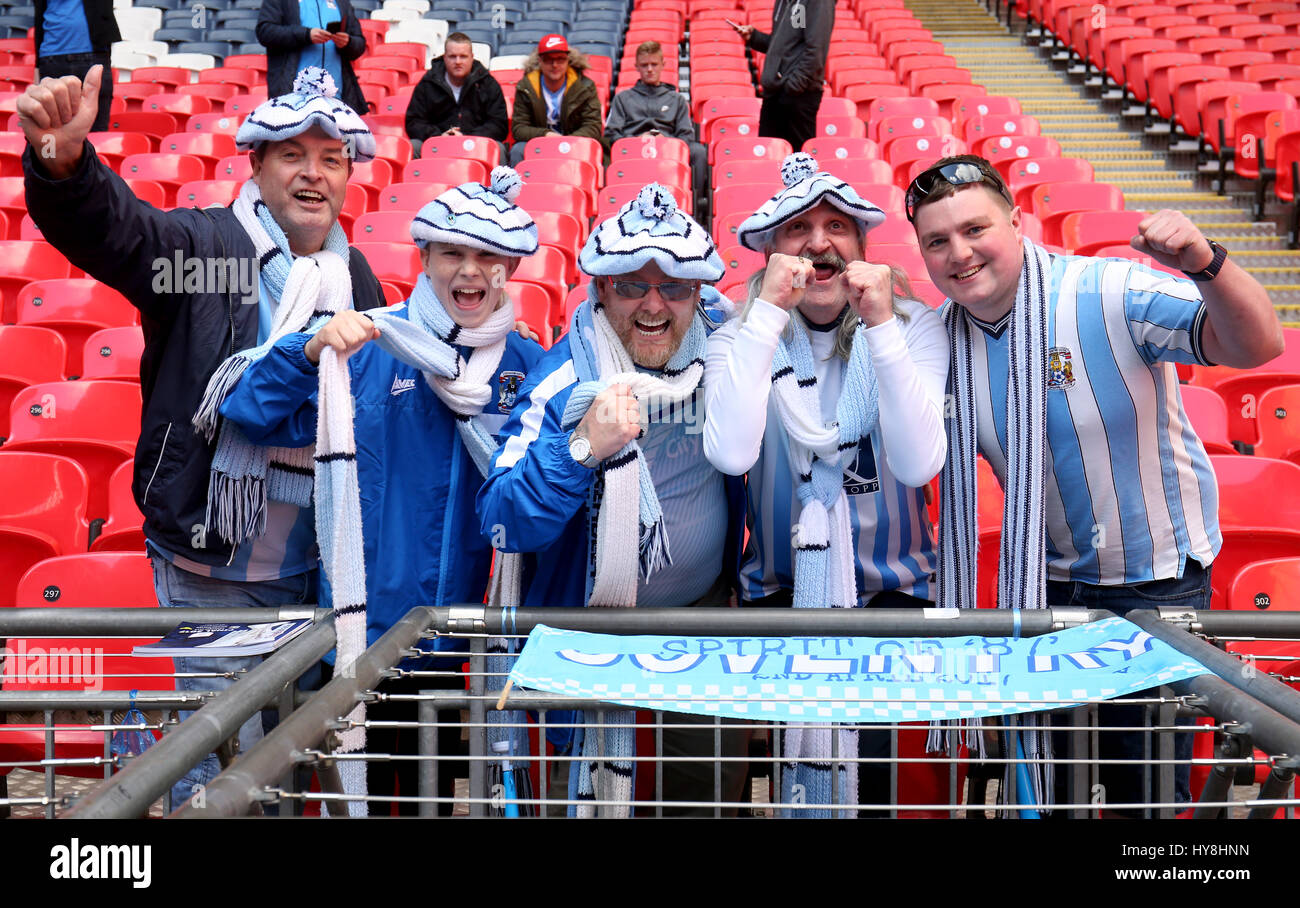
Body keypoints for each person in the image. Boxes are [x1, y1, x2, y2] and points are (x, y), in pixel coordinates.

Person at [19, 64, 385, 811]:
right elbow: (123, 234)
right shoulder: (209, 248)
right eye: (293, 155)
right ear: (257, 163)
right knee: (212, 775)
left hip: (313, 573)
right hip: (206, 568)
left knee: (283, 768)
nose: (313, 175)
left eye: (331, 158)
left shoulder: (360, 280)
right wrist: (65, 165)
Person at [906, 153, 1285, 814]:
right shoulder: (938, 339)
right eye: (937, 241)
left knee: (1143, 795)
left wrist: (1206, 263)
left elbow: (1258, 347)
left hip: (1155, 585)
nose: (959, 253)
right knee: (1062, 788)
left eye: (975, 229)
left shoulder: (1106, 290)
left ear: (1017, 221)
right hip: (1044, 586)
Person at [219, 167, 545, 815]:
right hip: (363, 640)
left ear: (508, 265)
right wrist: (307, 352)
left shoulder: (527, 366)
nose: (469, 272)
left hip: (473, 649)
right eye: (452, 252)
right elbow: (248, 411)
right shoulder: (367, 341)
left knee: (447, 801)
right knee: (368, 802)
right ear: (424, 256)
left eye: (487, 256)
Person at [477, 183, 749, 816]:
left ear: (698, 295)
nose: (653, 306)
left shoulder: (725, 358)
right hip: (587, 629)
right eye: (632, 285)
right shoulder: (565, 378)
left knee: (704, 801)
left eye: (673, 288)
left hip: (703, 622)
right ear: (601, 290)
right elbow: (502, 519)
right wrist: (580, 450)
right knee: (587, 801)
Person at [703, 152, 948, 815]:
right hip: (781, 593)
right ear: (770, 252)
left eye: (838, 226)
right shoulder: (739, 337)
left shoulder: (911, 326)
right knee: (796, 780)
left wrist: (880, 327)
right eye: (797, 230)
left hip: (891, 595)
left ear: (862, 247)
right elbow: (729, 451)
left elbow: (920, 459)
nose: (819, 242)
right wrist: (767, 317)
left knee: (872, 790)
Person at [604, 40, 709, 220]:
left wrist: (666, 140)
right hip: (633, 151)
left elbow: (686, 134)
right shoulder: (623, 99)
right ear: (636, 66)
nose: (650, 69)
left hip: (669, 149)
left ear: (663, 65)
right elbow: (611, 134)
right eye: (644, 65)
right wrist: (636, 140)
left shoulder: (676, 100)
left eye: (654, 64)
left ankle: (697, 208)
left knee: (698, 151)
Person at [730, 0, 833, 153]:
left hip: (797, 94)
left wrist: (793, 86)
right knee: (769, 161)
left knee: (798, 165)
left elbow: (816, 49)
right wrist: (755, 37)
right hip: (776, 90)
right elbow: (784, 45)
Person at [405, 31, 509, 159]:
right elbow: (413, 121)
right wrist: (438, 136)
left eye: (463, 56)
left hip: (476, 145)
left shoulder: (488, 84)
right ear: (444, 57)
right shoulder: (428, 83)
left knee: (498, 148)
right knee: (413, 147)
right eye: (452, 56)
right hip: (437, 145)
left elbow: (499, 125)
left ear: (472, 57)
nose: (458, 61)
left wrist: (467, 137)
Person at [258, 0, 369, 115]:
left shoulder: (341, 2)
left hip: (336, 98)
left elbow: (359, 44)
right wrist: (306, 35)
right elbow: (265, 32)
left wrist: (348, 42)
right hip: (293, 98)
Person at [509, 33, 604, 166]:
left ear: (568, 60)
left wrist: (567, 142)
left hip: (574, 144)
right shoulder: (526, 87)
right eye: (548, 59)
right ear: (540, 61)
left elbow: (593, 126)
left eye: (560, 59)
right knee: (518, 149)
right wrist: (546, 135)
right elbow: (519, 128)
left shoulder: (585, 86)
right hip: (540, 144)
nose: (554, 65)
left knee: (594, 150)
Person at [33, 0, 118, 133]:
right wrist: (37, 66)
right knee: (52, 133)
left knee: (96, 133)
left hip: (91, 54)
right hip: (52, 57)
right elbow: (39, 14)